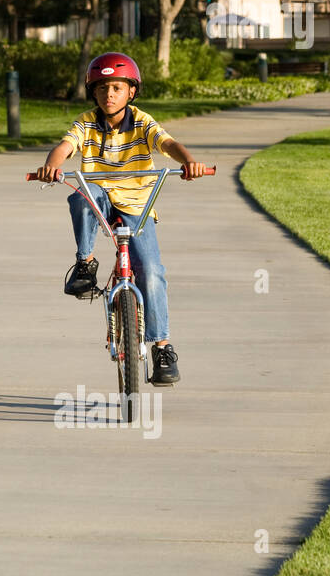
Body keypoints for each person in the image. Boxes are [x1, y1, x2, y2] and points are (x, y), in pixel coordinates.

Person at [34, 52, 208, 385]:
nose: (109, 95)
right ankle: (85, 263)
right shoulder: (86, 122)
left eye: (116, 88)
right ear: (93, 93)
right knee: (80, 196)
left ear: (131, 91)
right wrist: (51, 166)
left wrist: (188, 162)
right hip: (100, 195)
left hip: (137, 204)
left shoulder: (142, 122)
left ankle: (161, 347)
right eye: (101, 88)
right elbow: (64, 148)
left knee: (151, 271)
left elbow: (168, 144)